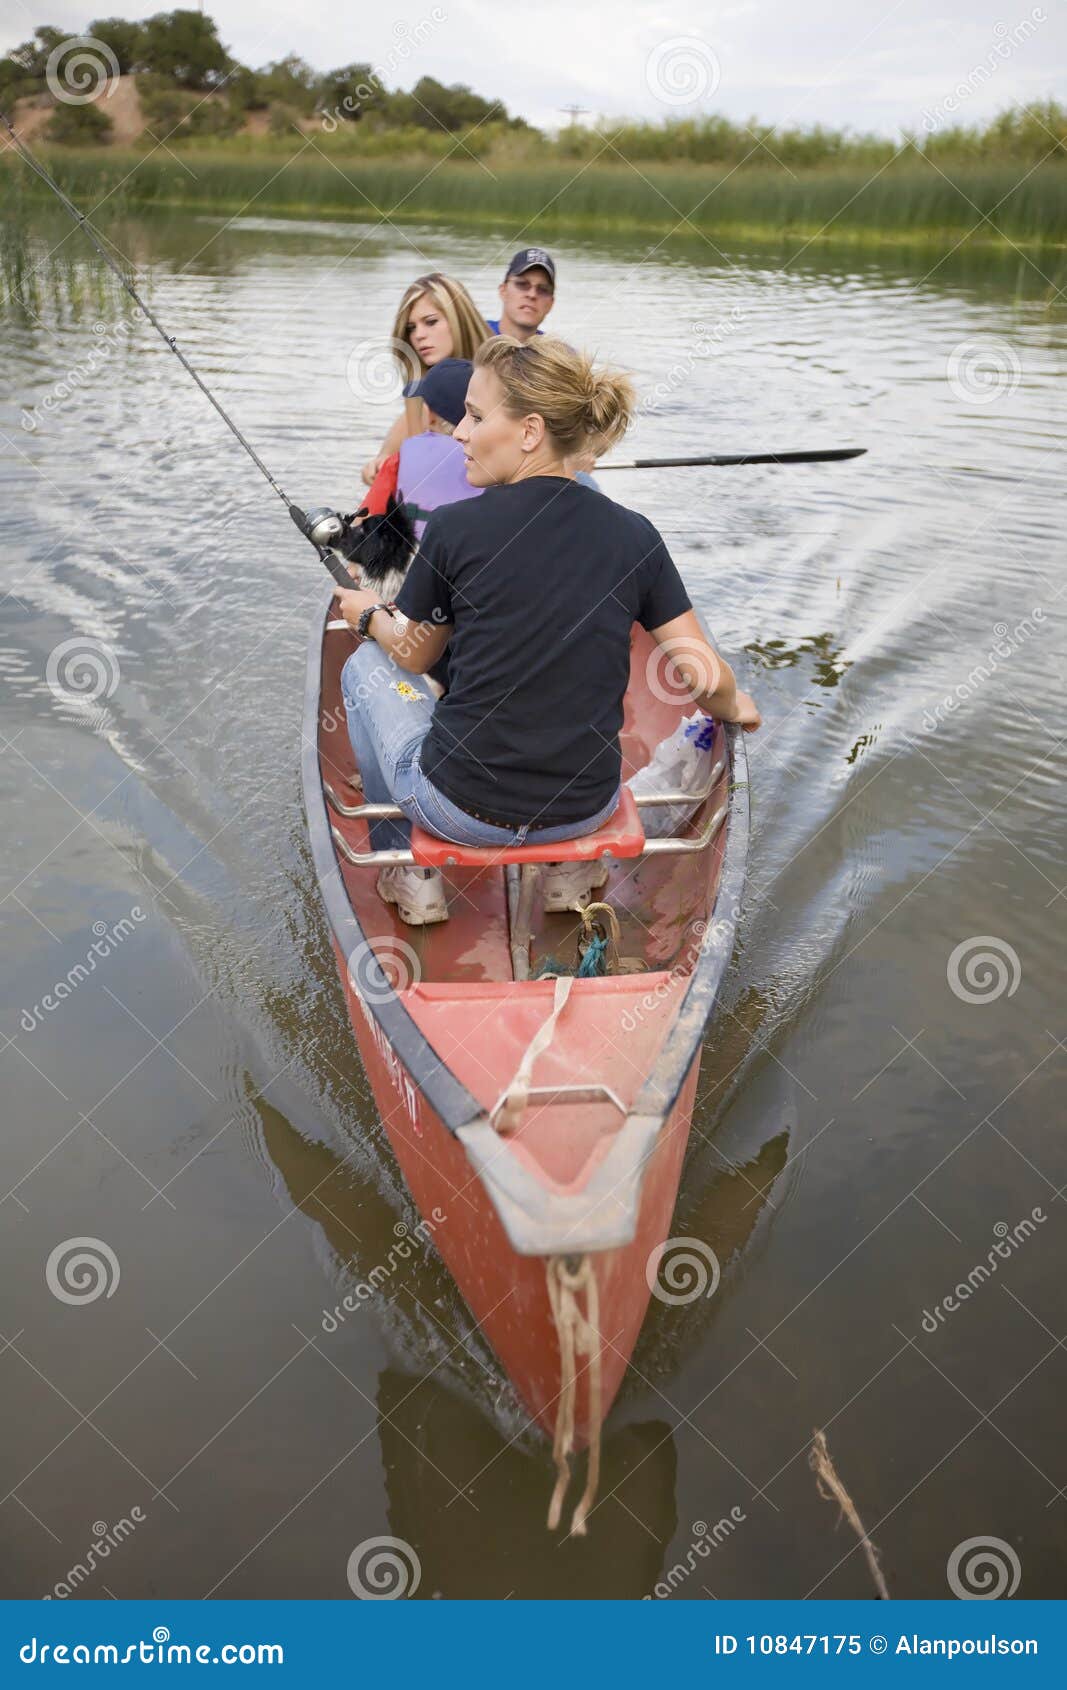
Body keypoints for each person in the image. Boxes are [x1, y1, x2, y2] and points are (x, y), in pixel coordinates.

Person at [336, 335, 760, 926]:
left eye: (476, 417)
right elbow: (703, 675)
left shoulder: (456, 530)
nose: (459, 433)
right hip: (585, 808)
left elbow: (412, 654)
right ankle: (568, 875)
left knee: (363, 666)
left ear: (531, 431)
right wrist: (732, 702)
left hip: (458, 809)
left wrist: (366, 616)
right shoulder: (635, 536)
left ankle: (408, 870)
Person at [346, 358, 483, 604]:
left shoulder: (401, 457)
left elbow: (363, 522)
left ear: (429, 415)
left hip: (407, 588)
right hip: (465, 584)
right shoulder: (490, 461)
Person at [361, 273, 492, 486]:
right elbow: (384, 460)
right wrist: (378, 467)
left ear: (459, 320)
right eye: (411, 328)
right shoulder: (418, 398)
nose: (419, 335)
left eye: (430, 322)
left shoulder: (503, 382)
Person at [485, 247, 556, 340]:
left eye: (543, 289)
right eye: (522, 284)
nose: (532, 294)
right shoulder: (471, 336)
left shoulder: (561, 353)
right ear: (503, 291)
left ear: (551, 304)